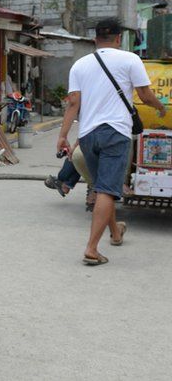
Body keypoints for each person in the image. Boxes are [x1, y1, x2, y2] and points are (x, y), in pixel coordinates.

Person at [57, 18, 167, 266]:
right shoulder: (130, 59)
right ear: (119, 38)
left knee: (103, 186)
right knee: (107, 189)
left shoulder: (80, 64)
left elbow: (73, 103)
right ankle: (92, 249)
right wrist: (160, 108)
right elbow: (145, 95)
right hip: (115, 133)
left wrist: (62, 135)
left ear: (96, 39)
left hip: (87, 136)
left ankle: (115, 232)